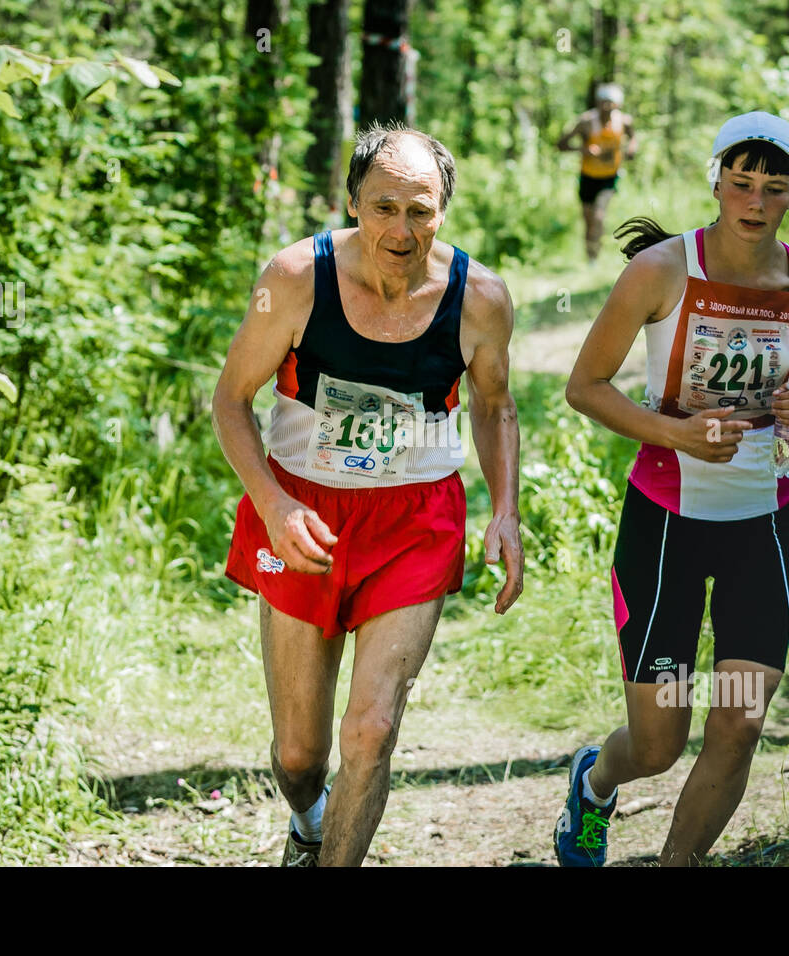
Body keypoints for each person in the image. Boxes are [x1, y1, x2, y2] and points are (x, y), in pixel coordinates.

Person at [212, 121, 524, 868]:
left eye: (420, 210)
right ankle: (308, 820)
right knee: (298, 755)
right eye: (384, 207)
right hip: (300, 514)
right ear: (352, 203)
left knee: (371, 729)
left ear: (443, 210)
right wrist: (272, 506)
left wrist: (505, 511)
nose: (401, 228)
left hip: (415, 518)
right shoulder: (293, 279)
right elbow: (231, 400)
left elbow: (493, 405)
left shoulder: (480, 298)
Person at [553, 111, 789, 867]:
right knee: (658, 745)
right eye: (742, 182)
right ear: (717, 180)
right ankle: (594, 784)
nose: (755, 201)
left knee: (740, 725)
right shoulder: (660, 270)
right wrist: (676, 433)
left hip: (765, 524)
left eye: (774, 187)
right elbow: (585, 388)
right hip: (665, 527)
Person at [558, 83, 639, 264]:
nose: (605, 107)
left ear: (618, 104)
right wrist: (583, 149)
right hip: (588, 176)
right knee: (588, 220)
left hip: (610, 177)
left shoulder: (624, 121)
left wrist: (632, 149)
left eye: (610, 103)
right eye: (602, 102)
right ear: (597, 102)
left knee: (598, 215)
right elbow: (561, 144)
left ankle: (595, 258)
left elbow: (633, 137)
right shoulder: (586, 121)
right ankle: (590, 258)